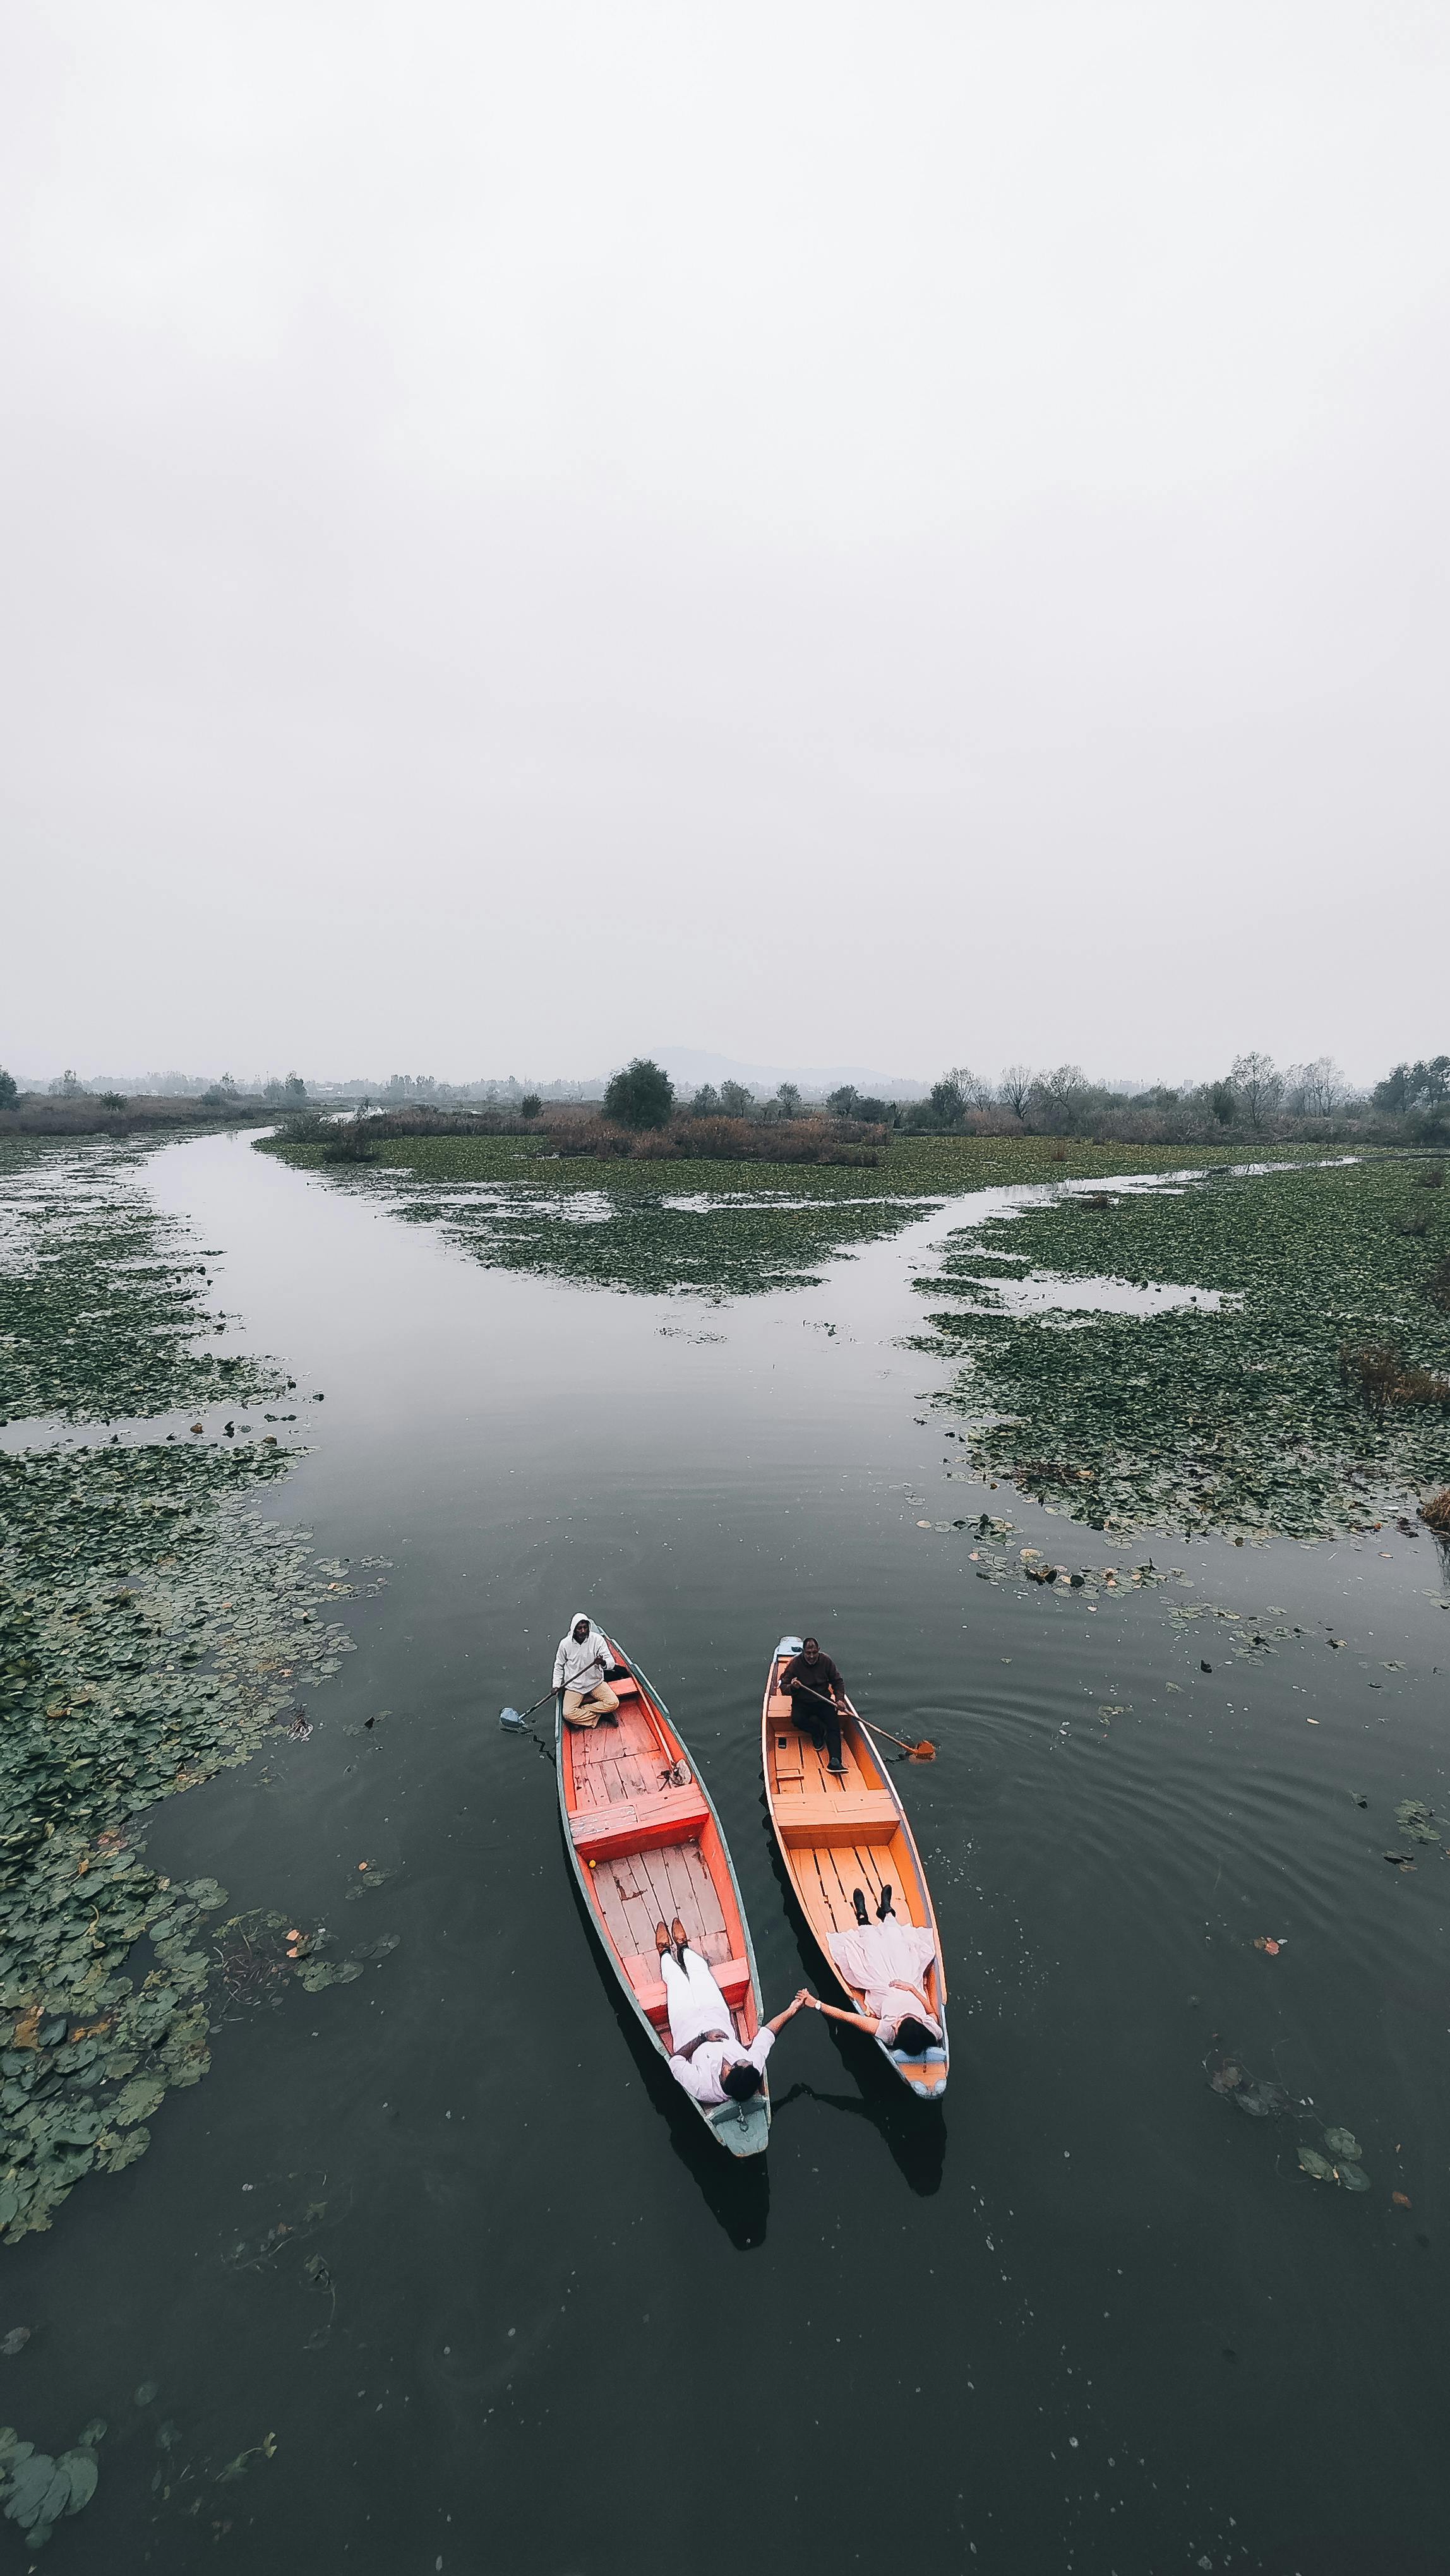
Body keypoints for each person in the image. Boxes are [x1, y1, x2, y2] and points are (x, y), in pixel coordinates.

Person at [654, 1918, 808, 2105]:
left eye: (741, 2062)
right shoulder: (751, 2068)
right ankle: (684, 1948)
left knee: (677, 1980)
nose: (747, 2058)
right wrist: (792, 2011)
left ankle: (664, 1953)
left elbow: (676, 2062)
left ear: (728, 2072)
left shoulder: (703, 2088)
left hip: (686, 2023)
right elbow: (767, 2036)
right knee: (701, 1970)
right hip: (715, 2013)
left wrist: (702, 2038)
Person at [804, 1886, 943, 2054]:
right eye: (899, 2022)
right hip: (908, 1979)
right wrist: (912, 1989)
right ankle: (887, 1913)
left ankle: (862, 1917)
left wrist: (816, 2004)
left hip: (881, 1984)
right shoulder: (933, 2031)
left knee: (872, 1950)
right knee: (897, 1941)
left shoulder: (886, 2032)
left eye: (897, 2026)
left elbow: (849, 2017)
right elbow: (931, 2012)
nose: (894, 2024)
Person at [779, 1636, 848, 1773]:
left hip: (824, 1701)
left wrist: (840, 1699)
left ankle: (835, 1761)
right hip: (803, 1702)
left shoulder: (826, 1661)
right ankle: (817, 1732)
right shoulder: (795, 1664)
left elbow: (838, 1682)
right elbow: (783, 1688)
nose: (811, 1656)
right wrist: (793, 1687)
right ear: (803, 1652)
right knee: (797, 1720)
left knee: (834, 1725)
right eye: (808, 1653)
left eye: (814, 1653)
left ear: (819, 1651)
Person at [552, 1612, 620, 1729]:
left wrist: (603, 1663)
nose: (583, 1631)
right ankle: (600, 1716)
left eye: (585, 1627)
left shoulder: (597, 1640)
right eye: (580, 1628)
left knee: (614, 1703)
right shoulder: (565, 1644)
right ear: (574, 1630)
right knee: (567, 1714)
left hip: (595, 1682)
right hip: (574, 1686)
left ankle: (584, 1715)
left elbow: (611, 1663)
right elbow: (559, 1666)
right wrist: (556, 1685)